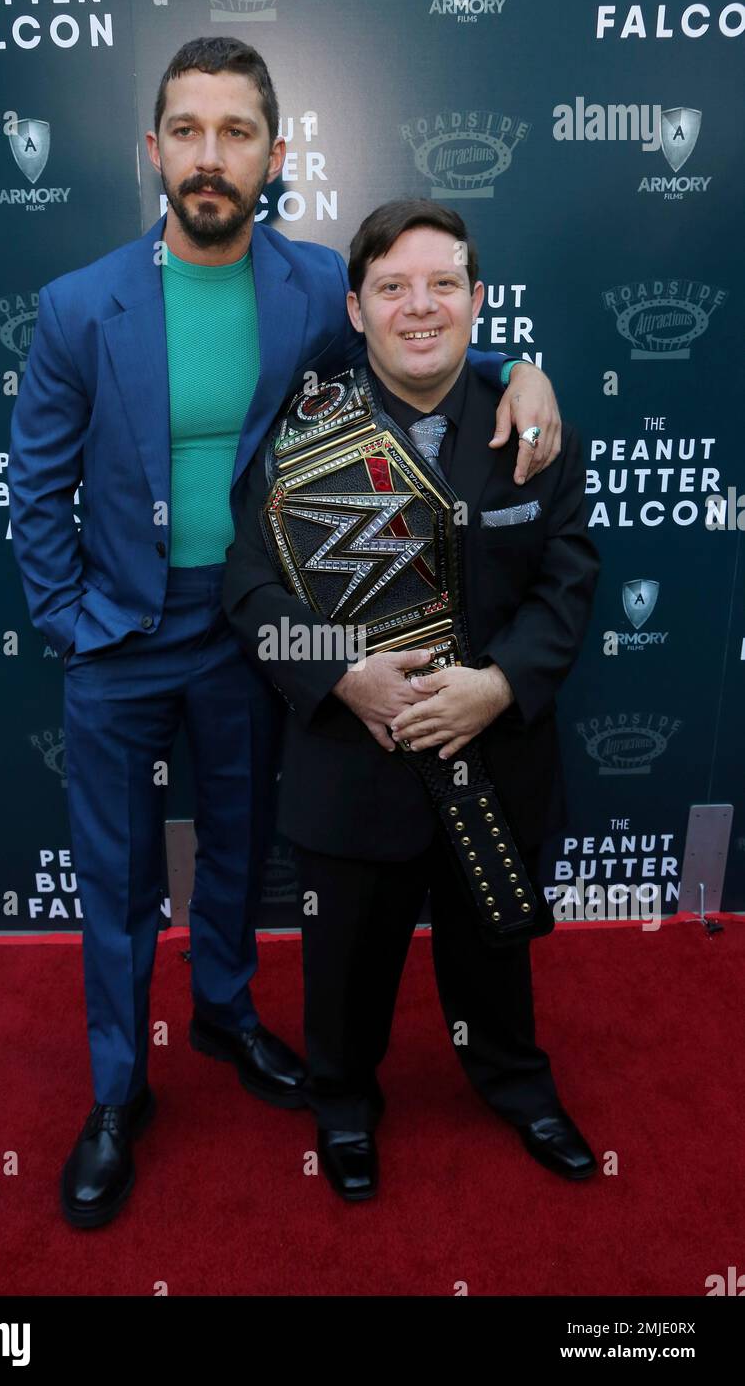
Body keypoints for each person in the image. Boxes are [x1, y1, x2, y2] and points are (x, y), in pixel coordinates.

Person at [9, 36, 564, 1228]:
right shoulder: (74, 309)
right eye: (189, 130)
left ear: (272, 155)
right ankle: (117, 1094)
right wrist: (70, 621)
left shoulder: (313, 284)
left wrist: (526, 369)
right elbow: (33, 485)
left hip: (264, 633)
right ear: (154, 149)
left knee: (240, 841)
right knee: (113, 876)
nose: (212, 157)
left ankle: (222, 1011)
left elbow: (418, 330)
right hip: (120, 634)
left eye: (238, 133)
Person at [223, 199, 601, 1201]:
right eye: (392, 287)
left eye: (441, 284)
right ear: (356, 309)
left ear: (478, 302)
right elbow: (247, 594)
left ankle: (516, 1085)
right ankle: (342, 1105)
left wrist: (500, 685)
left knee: (494, 958)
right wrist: (341, 671)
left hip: (496, 760)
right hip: (355, 768)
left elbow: (568, 580)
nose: (418, 306)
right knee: (342, 971)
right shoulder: (300, 435)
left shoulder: (530, 422)